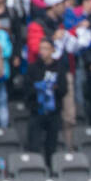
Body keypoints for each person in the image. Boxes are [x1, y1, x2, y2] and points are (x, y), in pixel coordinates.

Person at [25, 37, 67, 169]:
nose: (42, 51)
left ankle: (51, 169)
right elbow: (27, 89)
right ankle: (34, 169)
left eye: (45, 49)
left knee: (51, 144)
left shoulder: (59, 67)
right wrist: (39, 87)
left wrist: (53, 88)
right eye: (41, 48)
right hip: (37, 110)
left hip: (53, 111)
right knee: (34, 143)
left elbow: (64, 89)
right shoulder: (33, 68)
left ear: (52, 50)